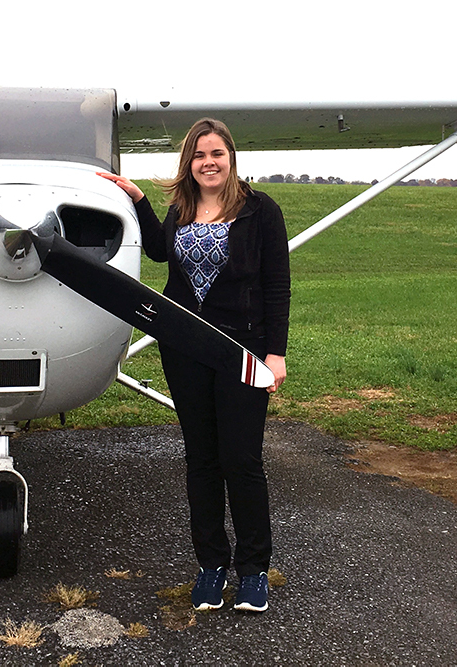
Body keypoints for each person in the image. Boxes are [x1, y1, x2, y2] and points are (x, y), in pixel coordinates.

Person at [98, 118, 290, 613]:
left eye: (217, 154)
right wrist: (139, 201)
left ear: (231, 159)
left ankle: (253, 571)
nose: (209, 162)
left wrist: (276, 353)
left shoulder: (261, 211)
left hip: (243, 350)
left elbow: (276, 285)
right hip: (184, 347)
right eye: (200, 155)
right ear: (190, 162)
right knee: (200, 458)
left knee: (242, 460)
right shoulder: (181, 209)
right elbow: (161, 254)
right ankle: (210, 566)